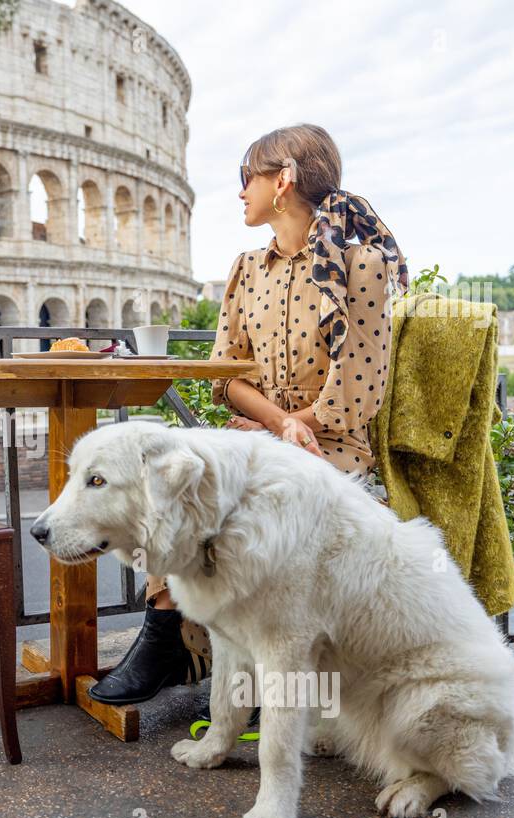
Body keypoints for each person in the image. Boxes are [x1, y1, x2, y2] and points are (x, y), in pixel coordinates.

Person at [88, 123, 409, 722]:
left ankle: (250, 667)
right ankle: (166, 635)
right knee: (164, 476)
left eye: (247, 178)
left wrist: (289, 430)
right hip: (263, 436)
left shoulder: (359, 263)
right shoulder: (244, 269)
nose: (240, 192)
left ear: (282, 180)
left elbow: (356, 396)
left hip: (331, 448)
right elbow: (224, 377)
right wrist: (274, 424)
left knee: (245, 509)